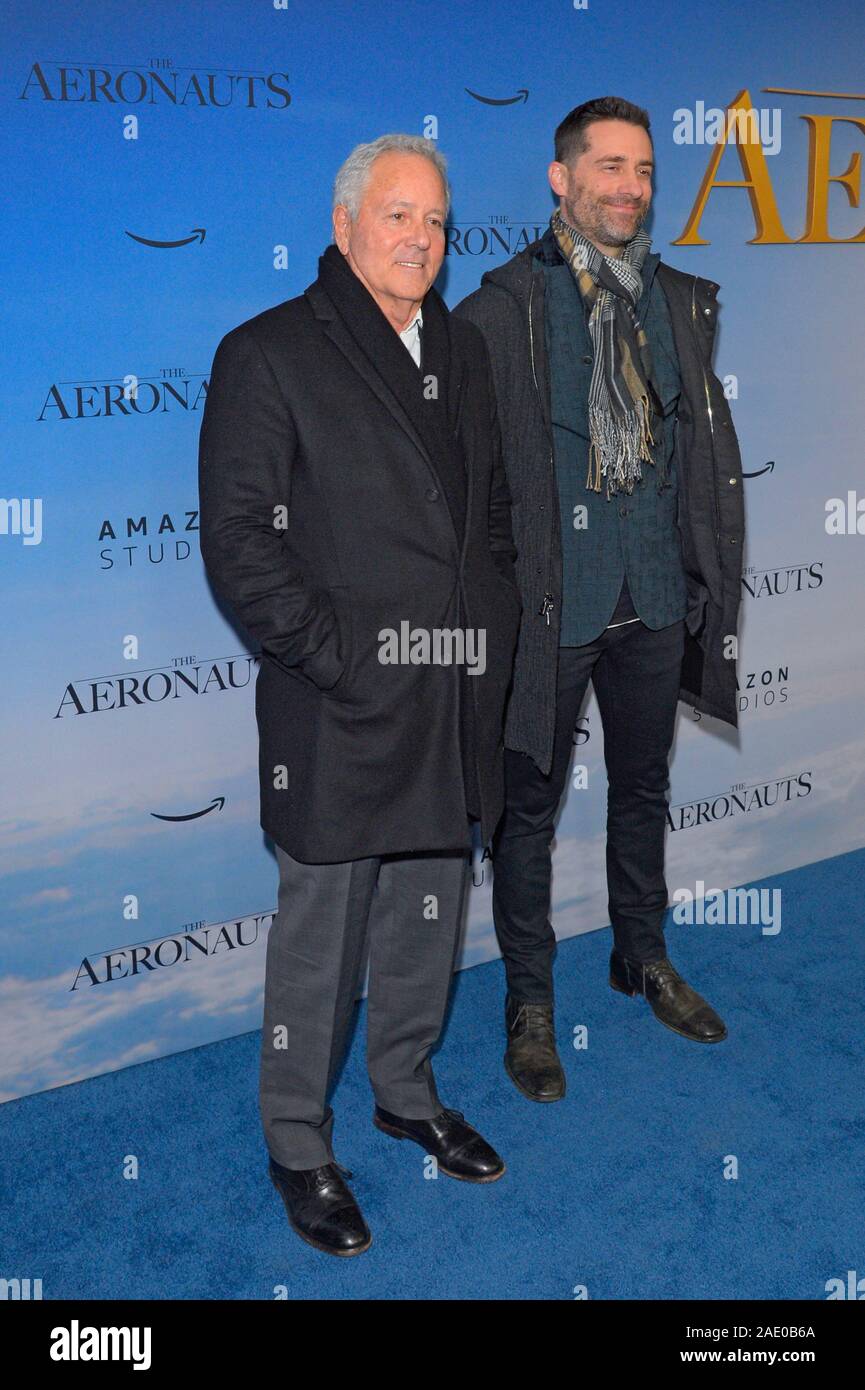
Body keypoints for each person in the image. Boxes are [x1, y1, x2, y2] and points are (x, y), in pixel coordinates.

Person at [198, 134, 521, 1256]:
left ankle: (406, 1089)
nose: (420, 240)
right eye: (398, 217)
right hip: (339, 705)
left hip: (452, 694)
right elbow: (241, 546)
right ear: (344, 228)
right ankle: (297, 1141)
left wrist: (493, 637)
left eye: (435, 221)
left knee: (428, 916)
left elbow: (486, 520)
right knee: (319, 946)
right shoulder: (269, 352)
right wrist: (346, 661)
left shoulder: (465, 352)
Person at [454, 96, 745, 1103]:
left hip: (653, 595)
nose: (627, 188)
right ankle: (530, 1003)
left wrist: (703, 570)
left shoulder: (676, 301)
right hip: (550, 611)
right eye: (608, 167)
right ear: (560, 177)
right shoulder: (499, 312)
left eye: (644, 171)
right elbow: (470, 489)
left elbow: (695, 459)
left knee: (643, 788)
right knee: (525, 813)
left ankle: (641, 955)